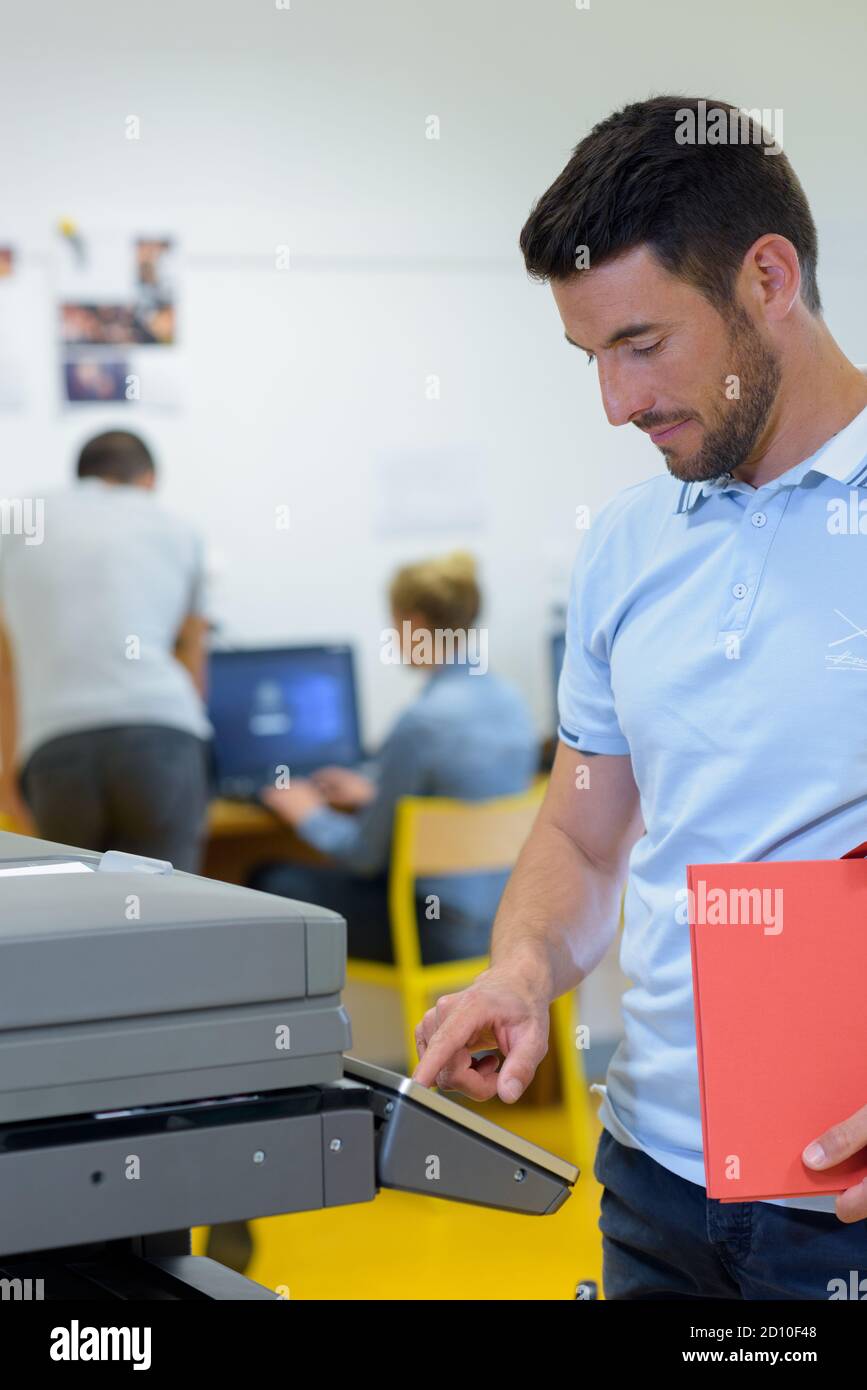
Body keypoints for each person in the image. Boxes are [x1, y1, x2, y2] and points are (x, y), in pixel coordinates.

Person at [412, 96, 867, 1301]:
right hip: (652, 1182)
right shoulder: (625, 545)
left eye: (642, 344)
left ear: (769, 277)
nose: (615, 405)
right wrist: (520, 968)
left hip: (846, 1208)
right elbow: (581, 827)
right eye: (590, 358)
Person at [251, 551, 538, 963]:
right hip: (503, 922)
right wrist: (376, 794)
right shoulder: (511, 702)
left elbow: (365, 858)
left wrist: (306, 812)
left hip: (435, 932)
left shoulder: (421, 722)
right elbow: (460, 804)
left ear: (416, 625)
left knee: (270, 880)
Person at [0, 430, 212, 871]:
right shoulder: (177, 527)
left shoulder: (19, 521)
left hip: (56, 747)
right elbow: (192, 653)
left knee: (77, 919)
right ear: (148, 480)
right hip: (160, 736)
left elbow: (6, 668)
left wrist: (8, 775)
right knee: (172, 912)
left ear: (81, 477)